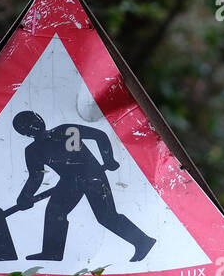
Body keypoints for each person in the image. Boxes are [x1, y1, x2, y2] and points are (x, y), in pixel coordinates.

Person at [11, 110, 155, 262]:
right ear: (25, 133)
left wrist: (108, 159)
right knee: (54, 212)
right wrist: (24, 196)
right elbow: (36, 176)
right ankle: (52, 252)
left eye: (36, 121)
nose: (35, 126)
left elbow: (99, 136)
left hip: (92, 175)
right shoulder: (33, 151)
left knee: (107, 217)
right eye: (30, 126)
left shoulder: (65, 131)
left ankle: (143, 241)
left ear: (41, 119)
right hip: (69, 181)